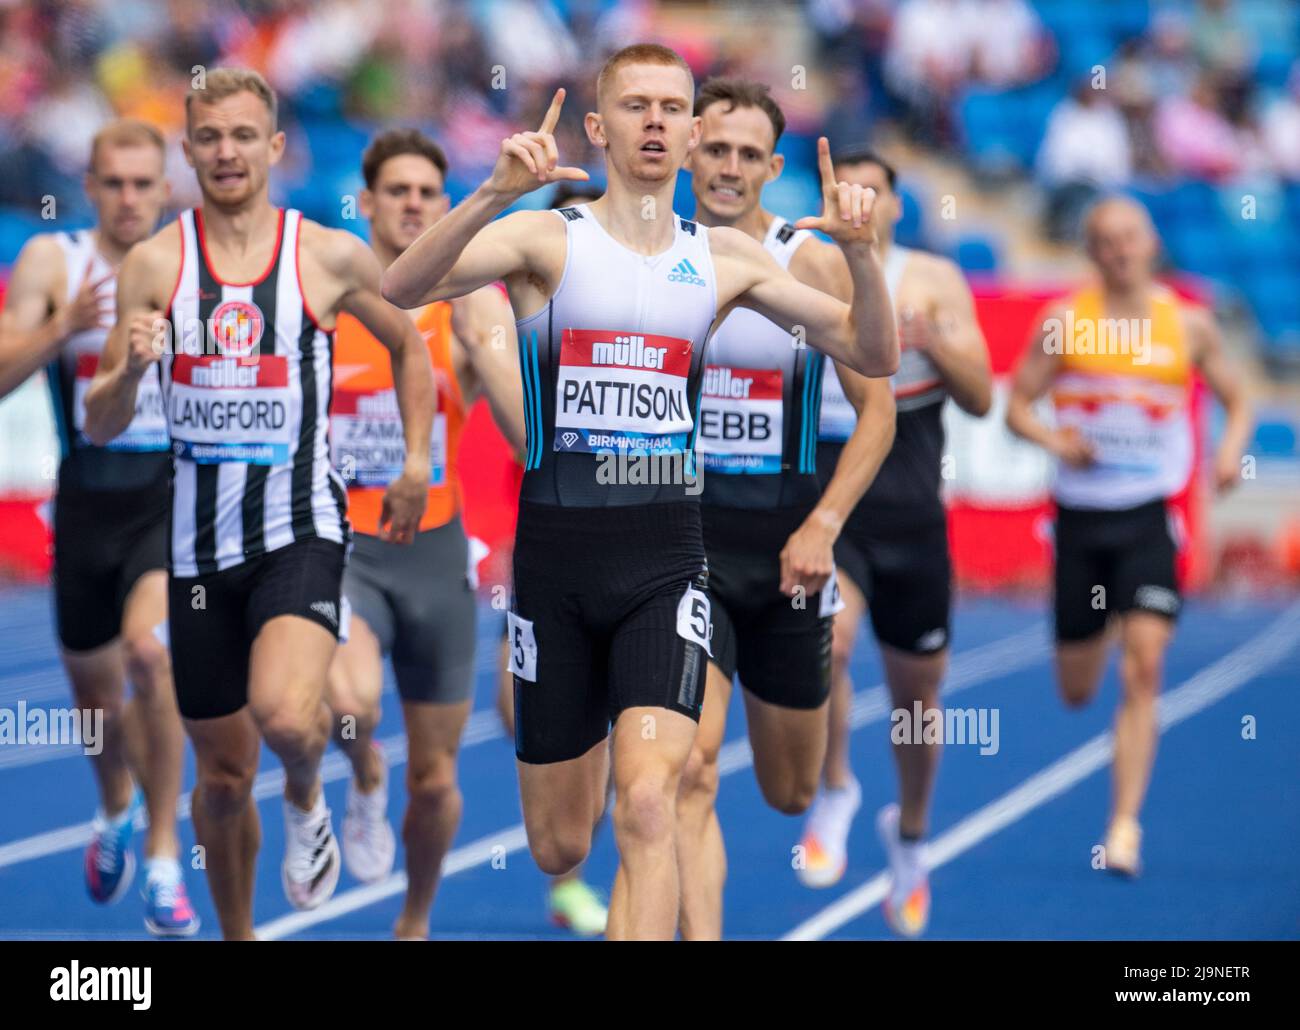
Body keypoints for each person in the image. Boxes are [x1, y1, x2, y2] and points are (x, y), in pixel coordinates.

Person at [382, 43, 898, 939]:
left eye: (672, 107)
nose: (655, 121)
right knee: (558, 844)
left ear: (694, 133)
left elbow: (873, 353)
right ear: (598, 126)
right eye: (635, 106)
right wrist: (496, 192)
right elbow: (402, 285)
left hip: (666, 561)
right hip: (557, 562)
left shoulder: (724, 257)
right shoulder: (550, 238)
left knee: (654, 797)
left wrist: (861, 259)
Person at [84, 68, 433, 940]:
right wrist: (128, 365)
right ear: (188, 149)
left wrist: (417, 462)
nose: (227, 152)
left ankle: (311, 793)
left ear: (275, 147)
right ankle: (239, 932)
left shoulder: (326, 254)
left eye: (245, 135)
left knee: (283, 712)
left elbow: (409, 348)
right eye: (209, 137)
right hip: (197, 555)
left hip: (300, 530)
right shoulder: (155, 265)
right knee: (225, 774)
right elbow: (101, 419)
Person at [675, 78, 897, 940]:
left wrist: (824, 526)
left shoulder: (804, 260)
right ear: (691, 148)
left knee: (787, 789)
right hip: (683, 549)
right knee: (688, 770)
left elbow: (877, 412)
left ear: (772, 167)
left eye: (746, 154)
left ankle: (836, 789)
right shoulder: (649, 254)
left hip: (787, 553)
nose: (727, 167)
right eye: (715, 147)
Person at [1006, 195, 1251, 877]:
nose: (1119, 251)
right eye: (1104, 241)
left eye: (1130, 238)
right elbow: (1017, 407)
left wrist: (1229, 450)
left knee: (1144, 668)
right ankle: (1099, 629)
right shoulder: (1062, 322)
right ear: (1091, 251)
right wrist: (1057, 437)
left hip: (1147, 517)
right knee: (1079, 687)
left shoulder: (1189, 325)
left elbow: (1238, 397)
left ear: (1150, 243)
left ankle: (1123, 825)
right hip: (1081, 522)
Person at [324, 128, 524, 940]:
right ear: (365, 203)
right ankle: (365, 770)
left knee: (438, 781)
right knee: (351, 704)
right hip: (342, 549)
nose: (413, 204)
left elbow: (521, 425)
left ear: (444, 207)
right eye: (396, 191)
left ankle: (413, 920)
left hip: (437, 552)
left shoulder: (469, 302)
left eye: (428, 194)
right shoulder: (327, 294)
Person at [0, 118, 198, 936]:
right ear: (89, 187)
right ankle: (114, 802)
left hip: (167, 496)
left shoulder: (191, 262)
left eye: (142, 184)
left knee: (152, 655)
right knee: (94, 697)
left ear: (164, 190)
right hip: (85, 502)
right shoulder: (57, 261)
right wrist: (61, 324)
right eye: (112, 183)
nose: (127, 198)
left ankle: (160, 853)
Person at [801, 146, 993, 940]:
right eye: (846, 189)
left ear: (895, 204)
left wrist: (933, 340)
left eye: (873, 191)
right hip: (834, 505)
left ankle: (910, 837)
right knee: (827, 646)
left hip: (914, 514)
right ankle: (836, 786)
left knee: (918, 704)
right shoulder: (807, 266)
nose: (860, 202)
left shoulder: (935, 280)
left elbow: (981, 398)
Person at [491, 180, 613, 937]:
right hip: (539, 546)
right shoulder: (531, 323)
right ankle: (568, 868)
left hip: (642, 546)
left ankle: (598, 877)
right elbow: (514, 441)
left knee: (646, 761)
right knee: (526, 715)